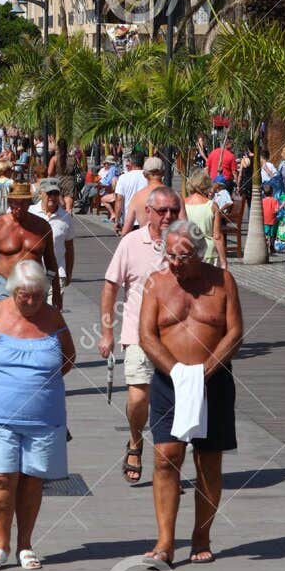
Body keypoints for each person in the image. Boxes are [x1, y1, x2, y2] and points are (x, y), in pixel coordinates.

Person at [0, 259, 75, 571]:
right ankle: (0, 543)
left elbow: (69, 357)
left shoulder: (52, 317)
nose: (31, 300)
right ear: (12, 291)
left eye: (37, 294)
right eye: (25, 294)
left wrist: (41, 384)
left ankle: (25, 543)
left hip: (43, 417)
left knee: (32, 481)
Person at [139, 219, 243, 565]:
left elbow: (234, 333)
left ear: (199, 254)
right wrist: (179, 374)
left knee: (209, 461)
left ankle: (202, 535)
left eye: (182, 257)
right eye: (169, 256)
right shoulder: (156, 284)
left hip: (213, 384)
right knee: (165, 457)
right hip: (170, 383)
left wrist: (204, 372)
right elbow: (147, 336)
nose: (174, 263)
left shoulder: (223, 281)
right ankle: (165, 542)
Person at [99, 185, 182, 485]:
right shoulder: (131, 243)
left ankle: (167, 462)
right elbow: (110, 286)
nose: (169, 216)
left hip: (178, 338)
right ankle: (135, 441)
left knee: (175, 403)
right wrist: (107, 331)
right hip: (137, 334)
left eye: (174, 210)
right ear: (148, 212)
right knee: (138, 398)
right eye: (162, 211)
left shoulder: (187, 241)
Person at [0, 182, 62, 311]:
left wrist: (56, 292)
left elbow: (51, 262)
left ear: (29, 203)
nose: (19, 207)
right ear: (10, 202)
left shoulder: (42, 227)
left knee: (33, 329)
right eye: (15, 203)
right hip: (5, 285)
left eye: (23, 203)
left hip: (34, 287)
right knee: (6, 327)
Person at [35, 179, 76, 287]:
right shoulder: (31, 212)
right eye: (49, 193)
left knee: (53, 303)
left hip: (57, 272)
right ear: (41, 193)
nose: (53, 197)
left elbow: (69, 247)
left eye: (56, 193)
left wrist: (69, 272)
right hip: (33, 274)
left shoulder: (66, 217)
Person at [122, 156, 169, 235]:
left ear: (144, 174)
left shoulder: (137, 197)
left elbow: (126, 230)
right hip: (168, 243)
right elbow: (184, 227)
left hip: (144, 242)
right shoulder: (174, 196)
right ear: (163, 173)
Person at [113, 154, 148, 233]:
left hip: (130, 220)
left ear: (131, 163)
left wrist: (117, 220)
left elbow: (119, 199)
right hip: (146, 220)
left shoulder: (123, 177)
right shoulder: (148, 177)